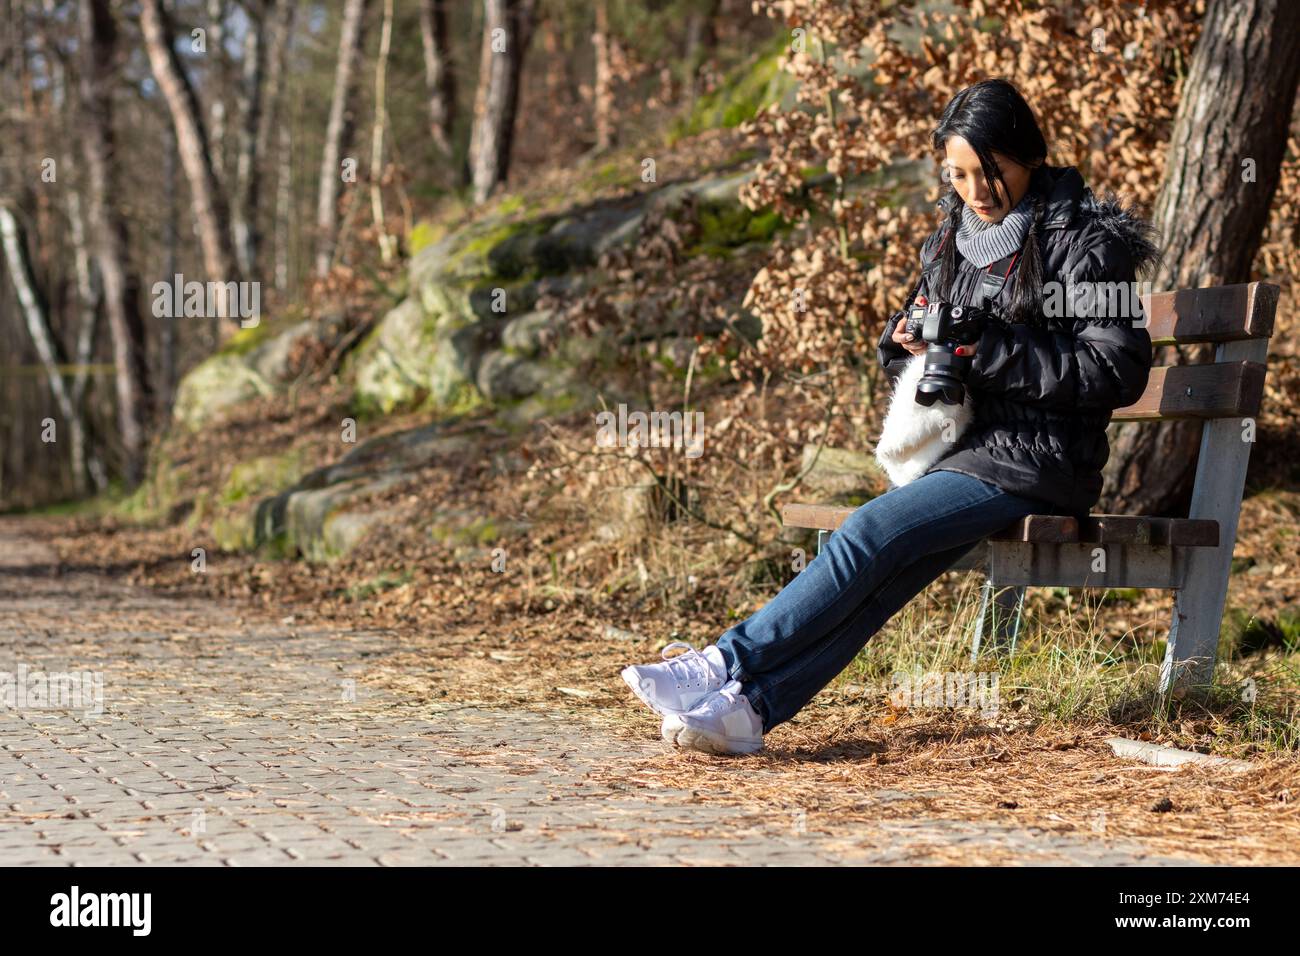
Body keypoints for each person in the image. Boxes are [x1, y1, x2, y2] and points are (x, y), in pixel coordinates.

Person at [622, 78, 1160, 754]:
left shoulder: (1085, 242)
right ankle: (750, 712)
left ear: (1027, 155)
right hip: (964, 450)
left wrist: (984, 349)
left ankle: (723, 663)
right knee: (887, 570)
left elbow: (1114, 370)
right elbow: (910, 352)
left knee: (870, 531)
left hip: (1041, 457)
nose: (977, 189)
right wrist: (907, 337)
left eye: (991, 170)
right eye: (959, 174)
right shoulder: (951, 241)